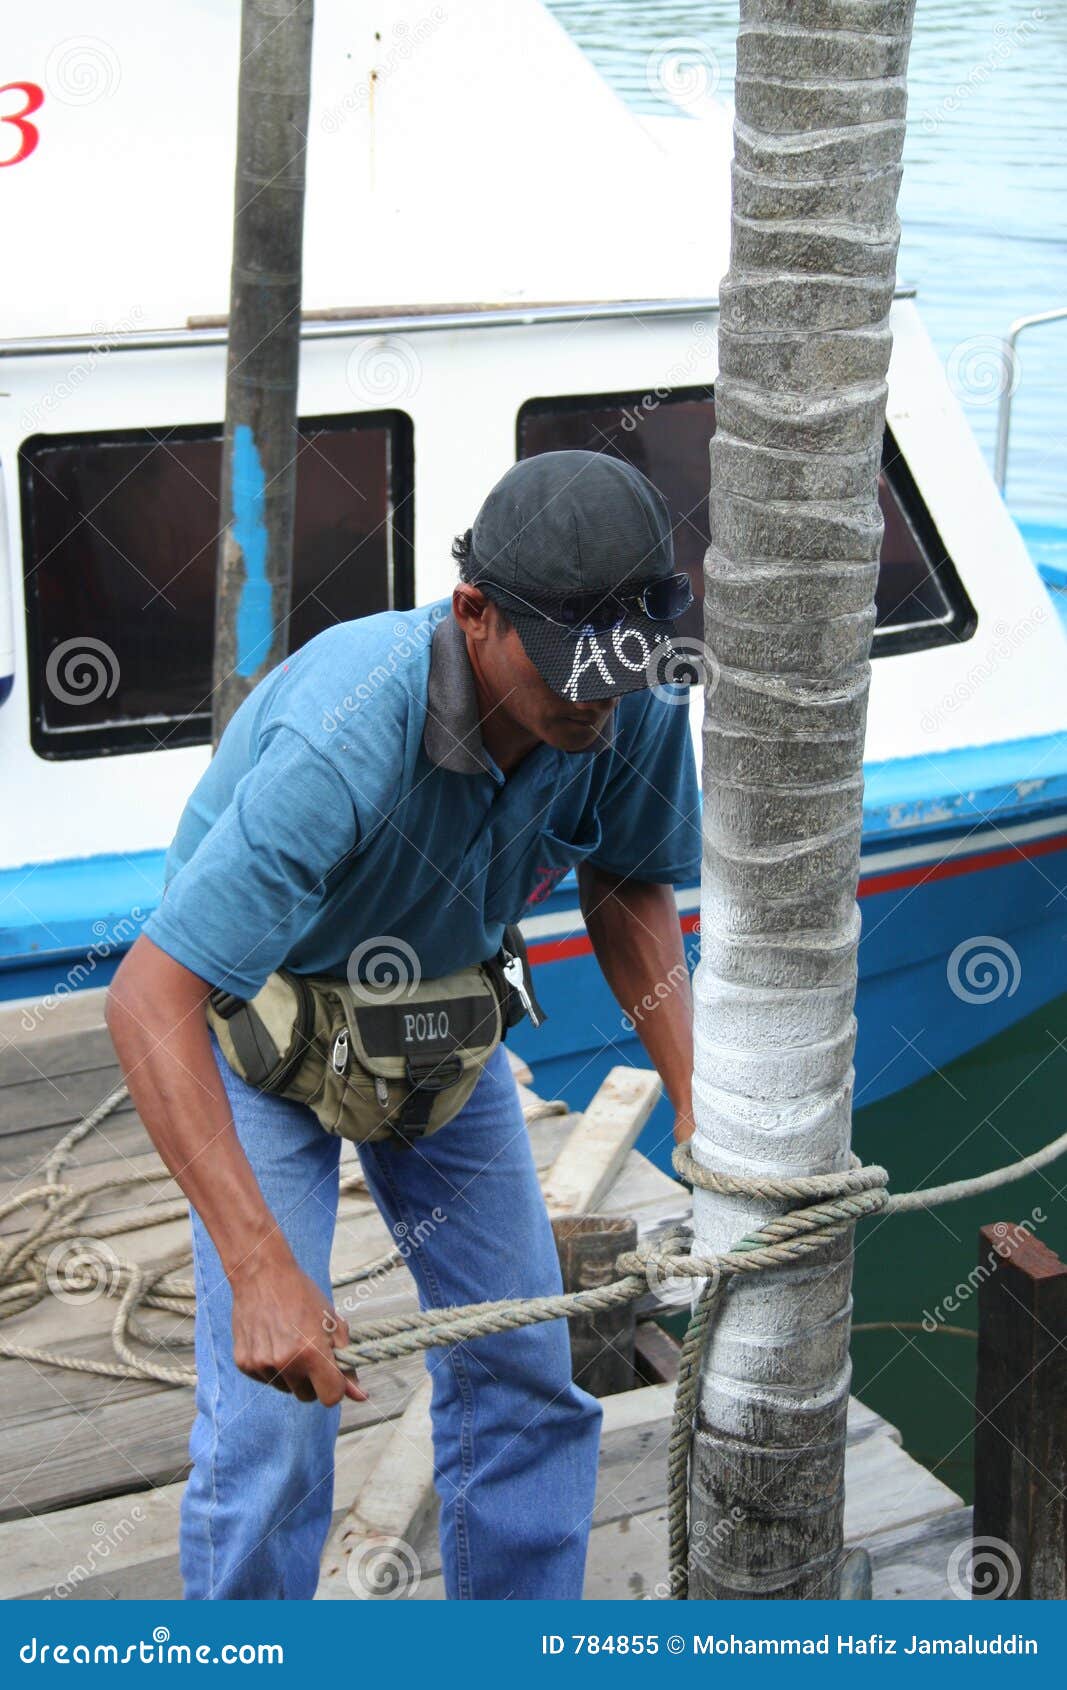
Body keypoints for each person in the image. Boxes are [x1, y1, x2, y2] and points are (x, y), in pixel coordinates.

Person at [107, 449, 702, 1600]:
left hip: (437, 1029)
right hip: (254, 1029)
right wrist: (262, 1265)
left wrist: (691, 1097)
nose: (595, 700)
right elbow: (150, 997)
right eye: (569, 670)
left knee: (527, 1370)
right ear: (473, 613)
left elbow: (626, 884)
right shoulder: (345, 734)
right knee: (271, 1426)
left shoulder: (623, 704)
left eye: (618, 674)